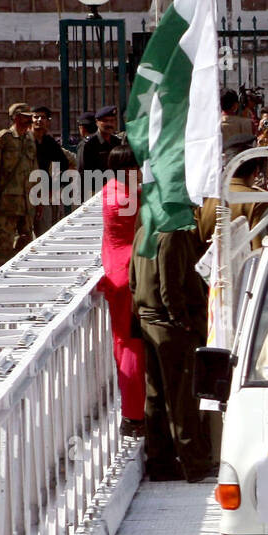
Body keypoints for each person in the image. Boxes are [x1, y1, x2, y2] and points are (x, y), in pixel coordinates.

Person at [130, 191, 213, 482]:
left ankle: (160, 462)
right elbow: (170, 288)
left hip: (148, 322)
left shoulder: (144, 232)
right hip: (170, 326)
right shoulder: (173, 234)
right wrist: (184, 322)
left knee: (155, 397)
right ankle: (194, 463)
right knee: (182, 398)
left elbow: (132, 281)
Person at [96, 146, 147, 439]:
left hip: (116, 272)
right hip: (128, 275)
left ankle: (133, 413)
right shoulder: (127, 197)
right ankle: (134, 415)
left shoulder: (110, 189)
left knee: (123, 343)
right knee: (131, 345)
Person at [0, 101, 39, 267]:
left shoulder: (29, 139)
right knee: (4, 243)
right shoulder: (4, 138)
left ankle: (22, 275)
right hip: (7, 201)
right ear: (16, 118)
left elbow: (34, 168)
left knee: (26, 241)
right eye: (25, 117)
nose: (29, 121)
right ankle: (2, 275)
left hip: (27, 201)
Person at [31, 105, 74, 233]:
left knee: (46, 231)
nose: (39, 120)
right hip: (25, 193)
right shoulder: (24, 141)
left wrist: (54, 187)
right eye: (36, 117)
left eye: (43, 117)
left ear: (48, 121)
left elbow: (64, 164)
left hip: (45, 194)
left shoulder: (49, 142)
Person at [77, 105, 121, 184]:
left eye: (112, 121)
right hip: (95, 191)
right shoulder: (88, 144)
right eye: (105, 121)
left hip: (114, 189)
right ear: (97, 122)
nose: (109, 124)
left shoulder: (117, 142)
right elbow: (82, 173)